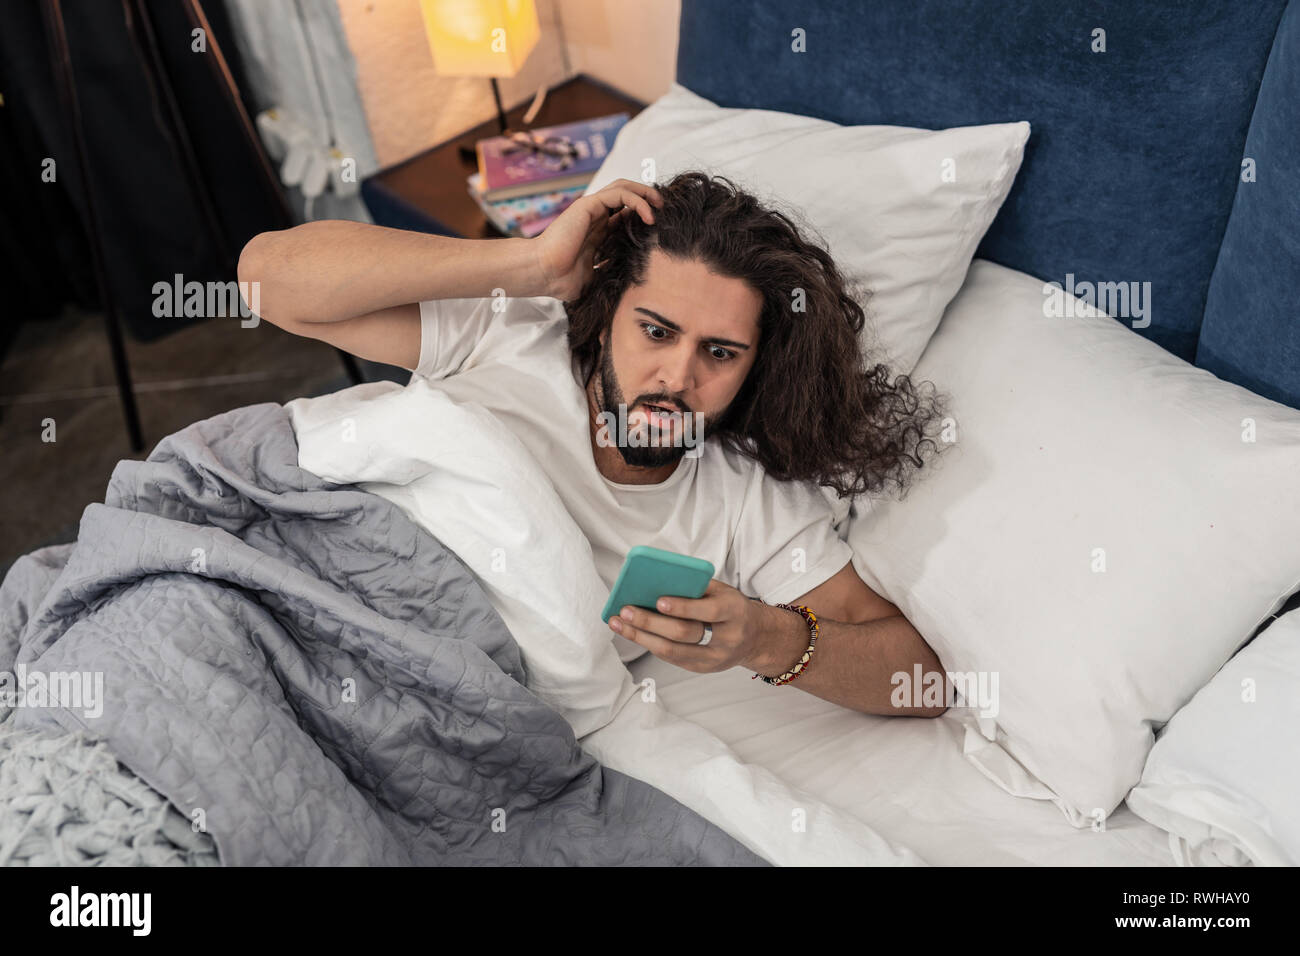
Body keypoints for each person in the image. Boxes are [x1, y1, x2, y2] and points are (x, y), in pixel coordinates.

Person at [238, 171, 949, 716]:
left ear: (758, 367)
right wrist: (532, 269)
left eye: (721, 353)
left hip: (421, 690)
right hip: (296, 570)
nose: (677, 376)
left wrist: (767, 639)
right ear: (608, 315)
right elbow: (267, 278)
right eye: (658, 331)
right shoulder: (510, 331)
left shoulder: (744, 497)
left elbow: (921, 681)